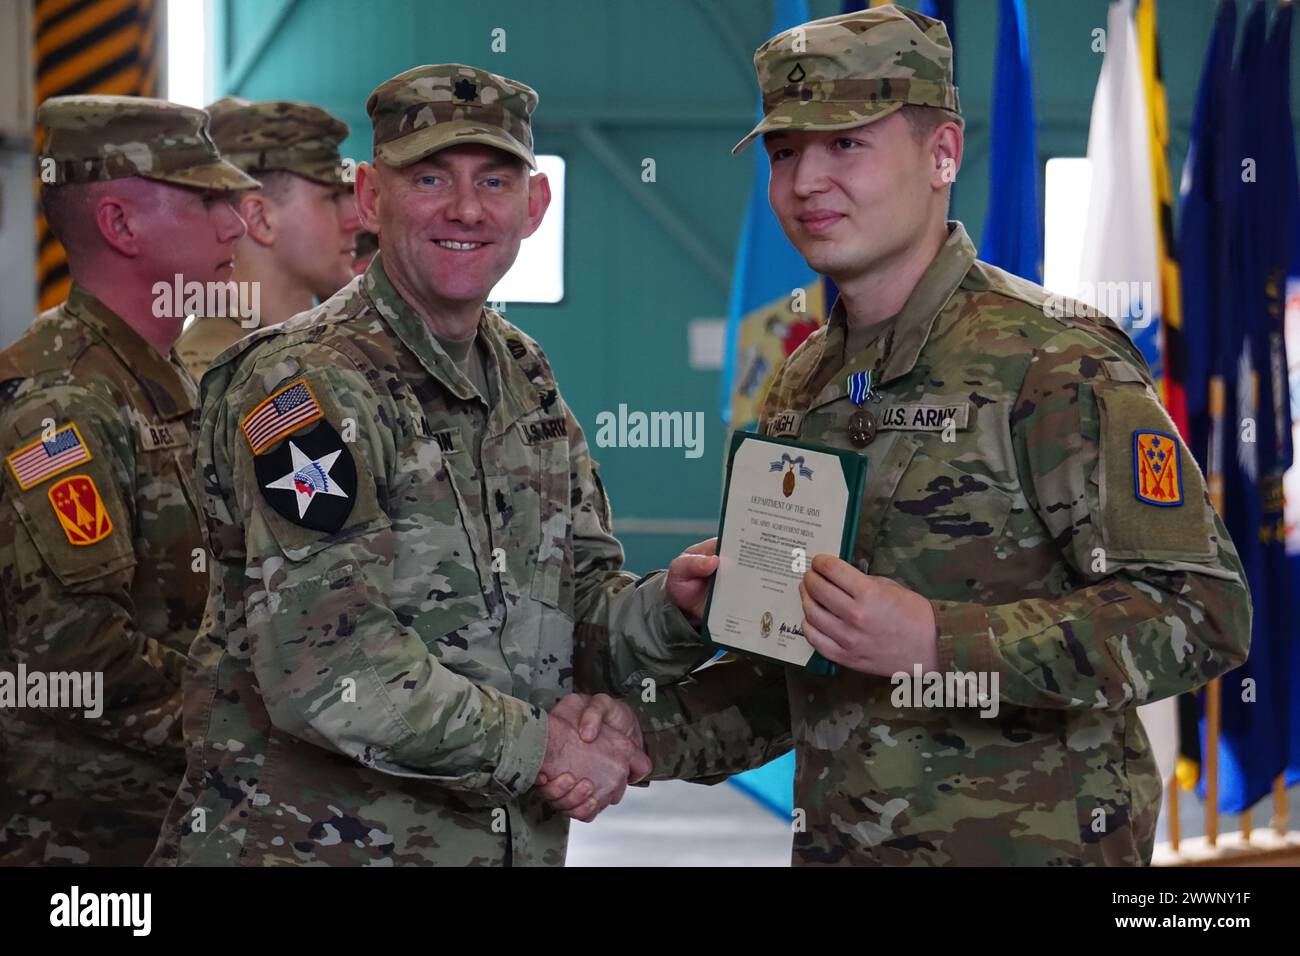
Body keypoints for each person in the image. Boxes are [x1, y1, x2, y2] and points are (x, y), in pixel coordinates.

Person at [550, 4, 1252, 866]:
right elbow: (802, 670)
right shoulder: (807, 382)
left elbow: (1201, 612)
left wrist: (933, 641)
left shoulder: (1054, 360)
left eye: (845, 143)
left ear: (943, 154)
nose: (806, 181)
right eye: (784, 152)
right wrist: (646, 735)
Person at [148, 63, 718, 867]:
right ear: (371, 198)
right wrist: (545, 749)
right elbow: (328, 668)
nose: (464, 208)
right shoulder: (305, 384)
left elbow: (576, 615)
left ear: (535, 205)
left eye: (494, 180)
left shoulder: (523, 374)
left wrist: (676, 612)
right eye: (429, 177)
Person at [0, 95, 256, 865]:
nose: (235, 223)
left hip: (164, 816)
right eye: (207, 200)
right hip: (81, 843)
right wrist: (258, 720)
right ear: (120, 224)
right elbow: (72, 652)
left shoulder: (157, 375)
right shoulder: (63, 401)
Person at [175, 97, 360, 381]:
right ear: (260, 219)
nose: (355, 220)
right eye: (331, 198)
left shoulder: (309, 352)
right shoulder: (216, 378)